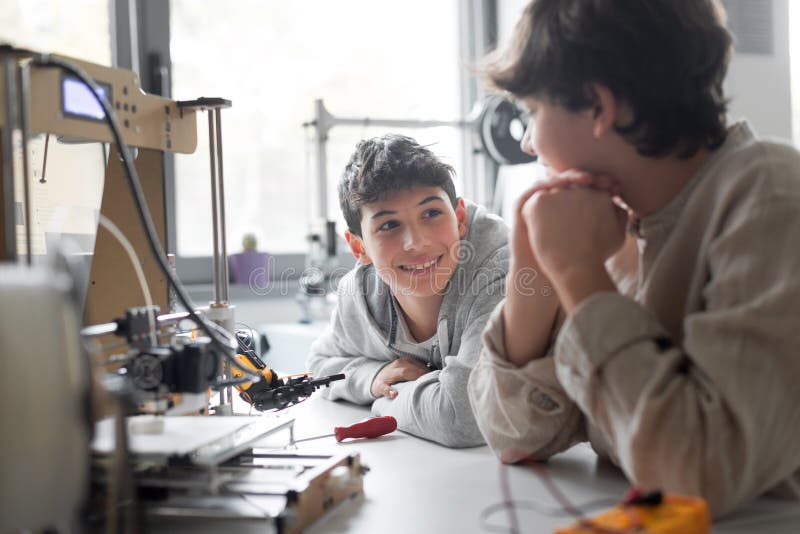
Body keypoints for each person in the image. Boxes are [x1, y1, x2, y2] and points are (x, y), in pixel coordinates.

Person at [467, 0, 800, 517]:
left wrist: (577, 271)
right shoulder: (610, 225)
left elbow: (700, 472)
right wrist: (532, 268)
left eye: (532, 113)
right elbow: (512, 436)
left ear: (600, 107)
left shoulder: (770, 194)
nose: (529, 143)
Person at [307, 134, 509, 447]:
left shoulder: (501, 272)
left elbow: (464, 418)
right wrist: (373, 378)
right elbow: (319, 364)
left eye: (431, 213)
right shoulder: (361, 296)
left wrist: (387, 400)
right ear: (359, 247)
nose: (416, 242)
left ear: (459, 219)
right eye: (389, 225)